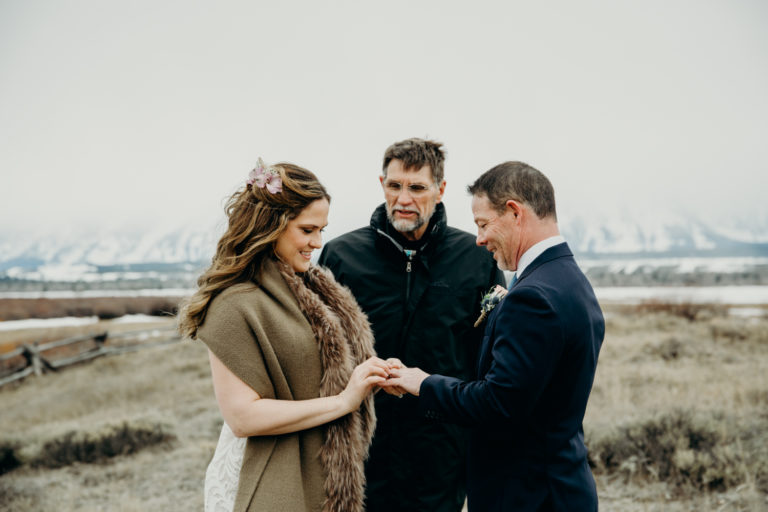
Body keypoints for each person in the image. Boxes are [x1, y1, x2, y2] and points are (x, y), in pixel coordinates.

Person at [382, 161, 605, 511]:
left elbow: (497, 404)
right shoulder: (567, 278)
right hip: (558, 484)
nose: (479, 238)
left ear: (514, 212)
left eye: (484, 224)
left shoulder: (534, 297)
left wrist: (422, 383)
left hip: (529, 495)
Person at [177, 158, 392, 512]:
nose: (318, 242)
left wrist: (371, 375)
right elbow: (242, 418)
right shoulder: (235, 303)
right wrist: (343, 402)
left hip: (321, 472)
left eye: (322, 229)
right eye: (307, 230)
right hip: (266, 476)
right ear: (270, 226)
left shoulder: (315, 291)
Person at [318, 139, 505, 512]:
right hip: (360, 443)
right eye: (394, 185)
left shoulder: (476, 256)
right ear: (382, 184)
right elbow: (318, 351)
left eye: (417, 187)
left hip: (441, 449)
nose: (404, 199)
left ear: (440, 190)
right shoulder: (340, 256)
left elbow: (488, 355)